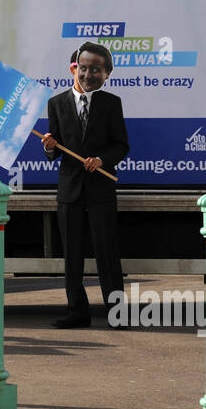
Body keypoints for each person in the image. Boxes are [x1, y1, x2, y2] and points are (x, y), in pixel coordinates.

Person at [40, 42, 129, 329]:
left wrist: (102, 160)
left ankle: (117, 313)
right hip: (70, 191)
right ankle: (77, 312)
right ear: (74, 68)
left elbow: (121, 145)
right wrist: (50, 147)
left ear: (107, 74)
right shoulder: (56, 104)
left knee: (107, 253)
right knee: (72, 256)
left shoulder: (111, 103)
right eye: (84, 67)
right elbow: (54, 152)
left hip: (101, 191)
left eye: (96, 69)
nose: (88, 74)